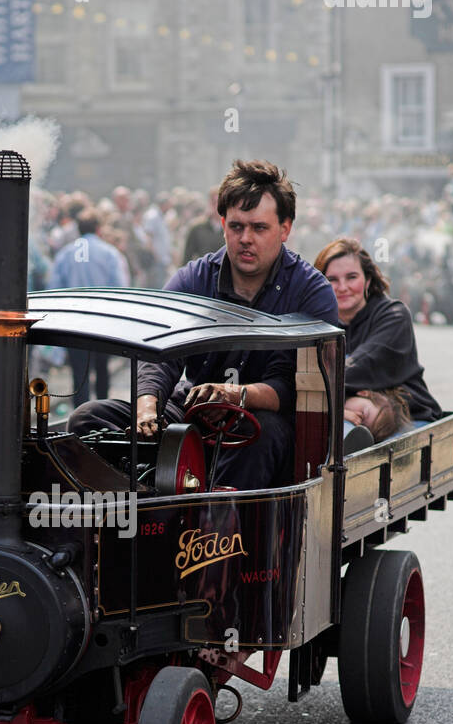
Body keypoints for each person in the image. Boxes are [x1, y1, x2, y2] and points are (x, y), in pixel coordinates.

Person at [68, 160, 339, 491]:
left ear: (285, 229)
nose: (245, 239)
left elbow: (291, 386)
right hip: (194, 405)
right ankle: (139, 513)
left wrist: (237, 396)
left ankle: (217, 533)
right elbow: (159, 352)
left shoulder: (311, 291)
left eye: (259, 228)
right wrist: (147, 408)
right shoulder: (193, 278)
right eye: (237, 227)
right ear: (222, 223)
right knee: (88, 418)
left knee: (261, 433)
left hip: (266, 418)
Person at [314, 238, 441, 422]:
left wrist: (306, 394)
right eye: (332, 279)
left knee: (369, 412)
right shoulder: (316, 323)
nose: (342, 287)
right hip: (338, 406)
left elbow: (364, 364)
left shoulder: (394, 315)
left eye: (351, 277)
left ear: (367, 280)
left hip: (407, 415)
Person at [48, 208, 128, 403]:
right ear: (99, 229)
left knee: (79, 373)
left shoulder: (65, 254)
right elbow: (120, 287)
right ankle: (101, 411)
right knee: (102, 368)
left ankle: (80, 418)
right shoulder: (110, 253)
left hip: (74, 322)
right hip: (102, 321)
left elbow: (54, 288)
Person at [181, 185, 224, 265]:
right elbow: (187, 257)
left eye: (221, 202)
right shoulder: (197, 228)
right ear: (209, 203)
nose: (218, 207)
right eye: (214, 203)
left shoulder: (232, 228)